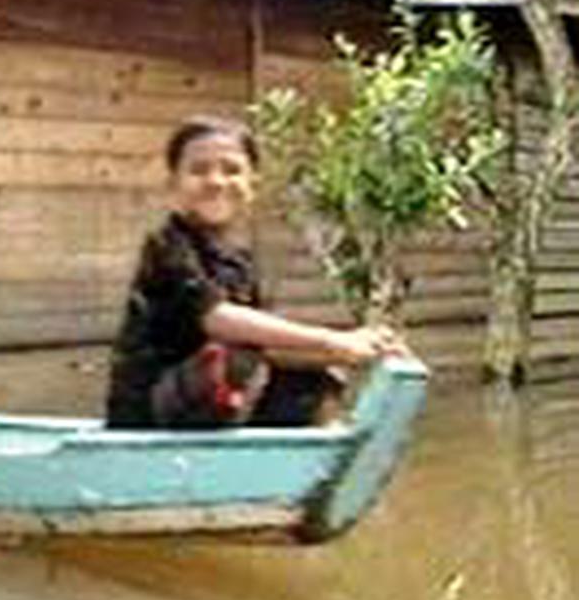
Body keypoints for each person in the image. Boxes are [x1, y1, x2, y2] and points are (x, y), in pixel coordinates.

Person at [106, 116, 405, 430]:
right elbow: (217, 319)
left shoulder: (238, 261)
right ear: (173, 183)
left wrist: (358, 352)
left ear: (252, 184)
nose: (216, 182)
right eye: (198, 170)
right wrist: (331, 341)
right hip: (150, 413)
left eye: (232, 170)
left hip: (200, 405)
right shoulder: (167, 245)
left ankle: (300, 459)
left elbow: (266, 347)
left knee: (316, 375)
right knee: (234, 359)